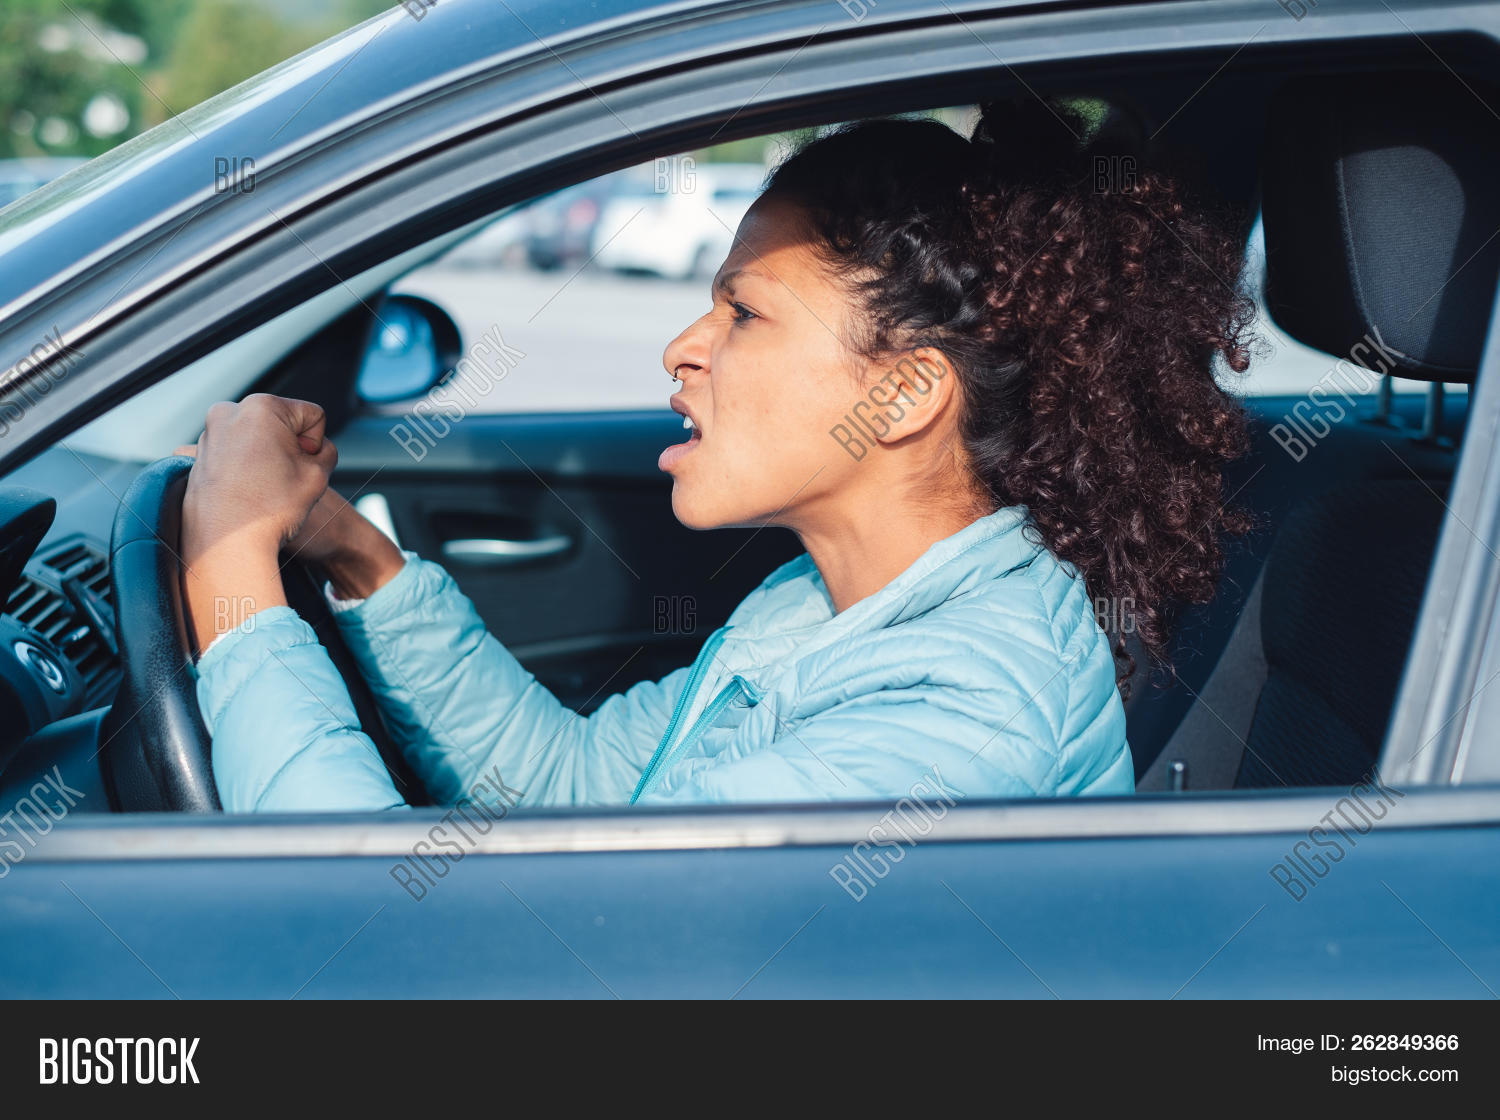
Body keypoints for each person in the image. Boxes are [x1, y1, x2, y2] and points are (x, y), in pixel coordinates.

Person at [178, 99, 1254, 812]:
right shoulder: (828, 603)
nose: (682, 350)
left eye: (743, 312)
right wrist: (344, 547)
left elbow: (420, 969)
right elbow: (579, 781)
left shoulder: (947, 719)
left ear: (905, 391)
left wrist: (230, 580)